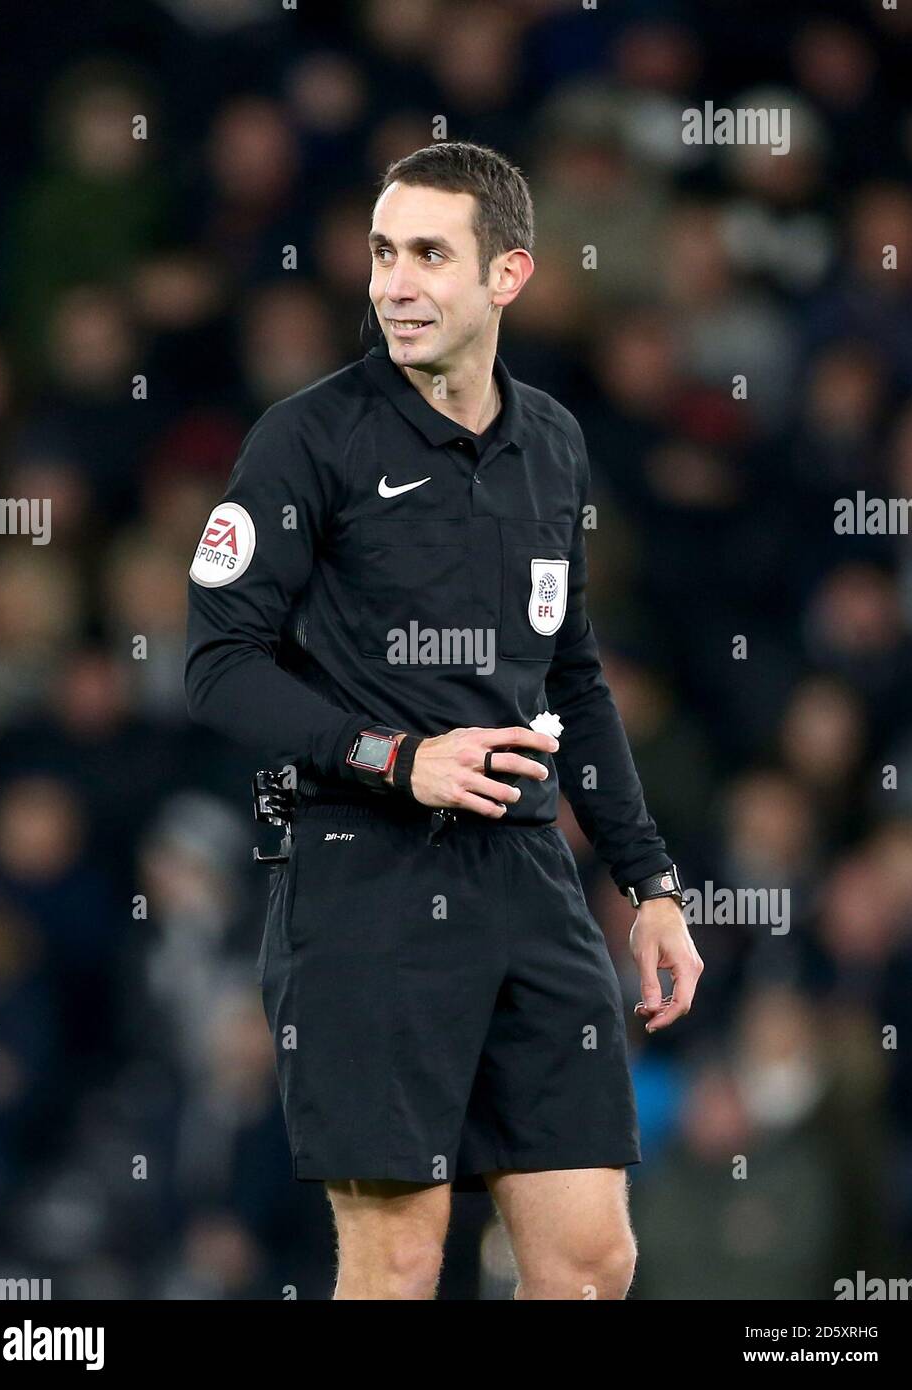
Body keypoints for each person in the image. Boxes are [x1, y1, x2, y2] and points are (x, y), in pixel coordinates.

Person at [185, 141, 703, 1300]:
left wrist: (652, 882)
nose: (394, 282)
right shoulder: (307, 440)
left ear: (508, 275)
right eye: (382, 252)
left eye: (429, 254)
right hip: (360, 873)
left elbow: (573, 677)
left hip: (525, 872)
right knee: (400, 1259)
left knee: (588, 1262)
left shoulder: (555, 444)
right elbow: (217, 666)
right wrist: (396, 758)